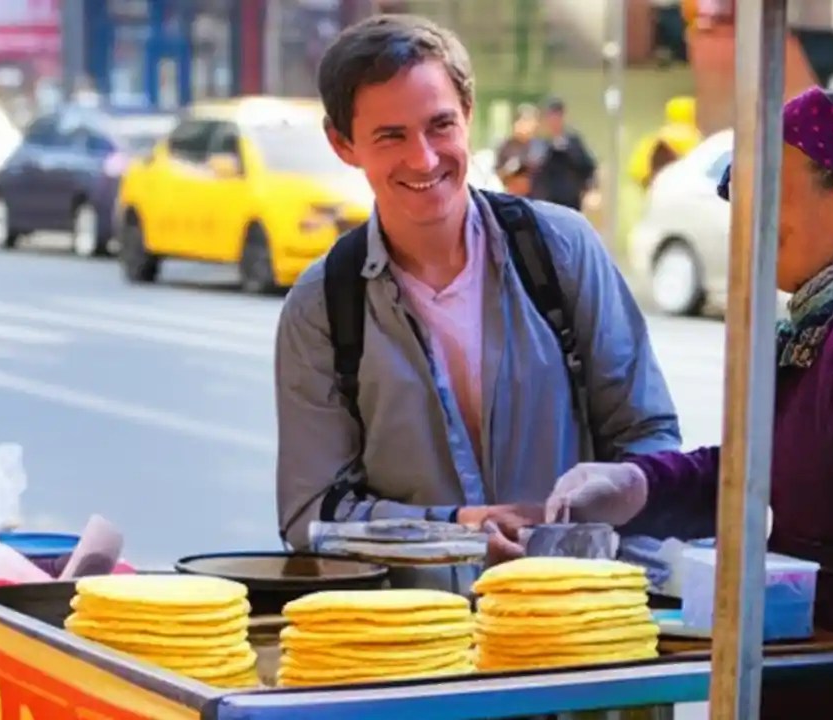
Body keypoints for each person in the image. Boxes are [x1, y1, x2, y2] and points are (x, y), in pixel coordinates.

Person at [544, 87, 833, 720]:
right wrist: (634, 485)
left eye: (774, 189)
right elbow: (761, 468)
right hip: (813, 659)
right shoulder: (827, 319)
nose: (748, 214)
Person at [275, 15, 680, 580]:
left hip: (571, 620)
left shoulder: (560, 250)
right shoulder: (321, 305)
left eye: (440, 125)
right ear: (343, 144)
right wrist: (456, 531)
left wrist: (591, 514)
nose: (423, 158)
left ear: (468, 112)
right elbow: (312, 516)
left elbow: (649, 441)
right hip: (416, 646)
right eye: (390, 136)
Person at [530, 97, 597, 211]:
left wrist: (590, 189)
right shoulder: (539, 142)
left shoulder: (572, 141)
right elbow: (534, 168)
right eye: (550, 116)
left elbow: (587, 166)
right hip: (546, 200)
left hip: (570, 200)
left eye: (557, 115)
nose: (554, 120)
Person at [494, 103, 546, 197]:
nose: (524, 125)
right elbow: (498, 174)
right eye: (521, 121)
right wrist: (509, 169)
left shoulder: (541, 147)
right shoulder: (506, 146)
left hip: (537, 198)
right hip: (512, 196)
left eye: (528, 121)